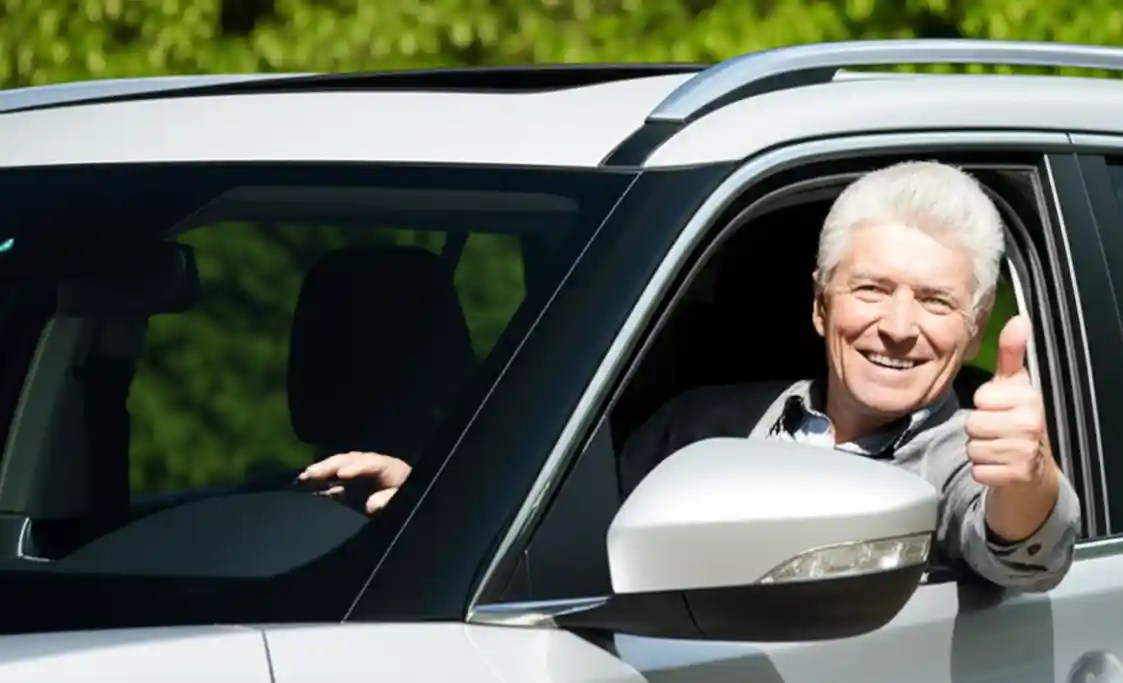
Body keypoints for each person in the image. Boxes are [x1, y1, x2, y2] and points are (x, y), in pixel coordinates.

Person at [300, 160, 1081, 591]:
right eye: (871, 289)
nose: (900, 327)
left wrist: (1029, 476)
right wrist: (439, 506)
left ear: (975, 328)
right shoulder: (700, 427)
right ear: (820, 305)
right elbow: (564, 556)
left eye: (936, 302)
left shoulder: (966, 455)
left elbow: (1023, 552)